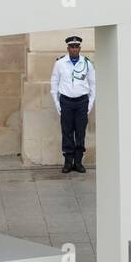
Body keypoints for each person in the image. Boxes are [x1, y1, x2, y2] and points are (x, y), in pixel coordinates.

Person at [50, 35, 96, 173]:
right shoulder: (60, 63)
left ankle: (78, 162)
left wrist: (90, 104)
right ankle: (68, 162)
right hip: (66, 101)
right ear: (68, 48)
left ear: (80, 48)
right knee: (67, 132)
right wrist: (57, 103)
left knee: (80, 132)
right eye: (72, 47)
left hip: (82, 102)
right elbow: (54, 83)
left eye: (76, 47)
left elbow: (93, 84)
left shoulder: (87, 63)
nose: (74, 49)